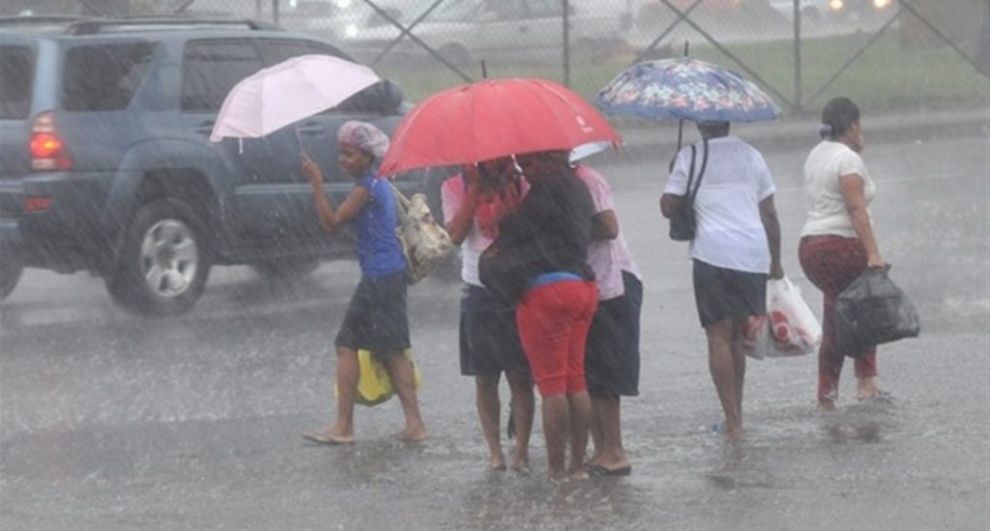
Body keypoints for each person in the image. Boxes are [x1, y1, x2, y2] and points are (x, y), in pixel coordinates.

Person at [301, 120, 428, 444]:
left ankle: (344, 427)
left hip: (381, 277)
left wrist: (316, 183)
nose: (342, 160)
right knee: (392, 349)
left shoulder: (365, 189)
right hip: (387, 274)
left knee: (347, 343)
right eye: (340, 154)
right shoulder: (378, 182)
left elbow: (330, 223)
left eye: (349, 154)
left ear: (367, 157)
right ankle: (414, 424)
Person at [660, 121, 784, 439]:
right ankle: (736, 417)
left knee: (718, 338)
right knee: (738, 339)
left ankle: (732, 422)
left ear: (700, 124)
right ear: (729, 122)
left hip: (712, 254)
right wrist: (776, 261)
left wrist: (675, 171)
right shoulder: (752, 155)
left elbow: (667, 206)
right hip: (751, 255)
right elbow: (769, 212)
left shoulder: (691, 156)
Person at [498, 150, 598, 480]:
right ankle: (578, 466)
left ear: (550, 160)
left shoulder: (543, 191)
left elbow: (511, 232)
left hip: (546, 291)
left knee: (552, 386)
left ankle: (556, 467)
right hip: (582, 286)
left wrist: (507, 196)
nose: (524, 172)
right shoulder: (579, 187)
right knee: (576, 380)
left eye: (529, 164)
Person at [441, 157, 536, 473]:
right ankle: (494, 451)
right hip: (477, 288)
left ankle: (520, 449)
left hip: (516, 287)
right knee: (485, 378)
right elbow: (454, 235)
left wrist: (507, 195)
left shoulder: (521, 184)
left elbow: (528, 233)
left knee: (521, 376)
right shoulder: (454, 186)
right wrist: (475, 191)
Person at [798, 97, 885, 411]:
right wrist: (873, 252)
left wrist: (855, 154)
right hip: (840, 247)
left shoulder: (818, 154)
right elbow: (854, 206)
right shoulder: (847, 160)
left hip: (812, 247)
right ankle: (865, 383)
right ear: (852, 125)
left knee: (835, 317)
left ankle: (827, 394)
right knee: (865, 311)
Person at [573, 162, 643, 477]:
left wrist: (565, 223)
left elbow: (609, 227)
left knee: (605, 371)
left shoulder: (589, 181)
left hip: (613, 283)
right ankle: (601, 449)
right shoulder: (560, 181)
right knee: (589, 372)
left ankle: (613, 451)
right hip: (589, 284)